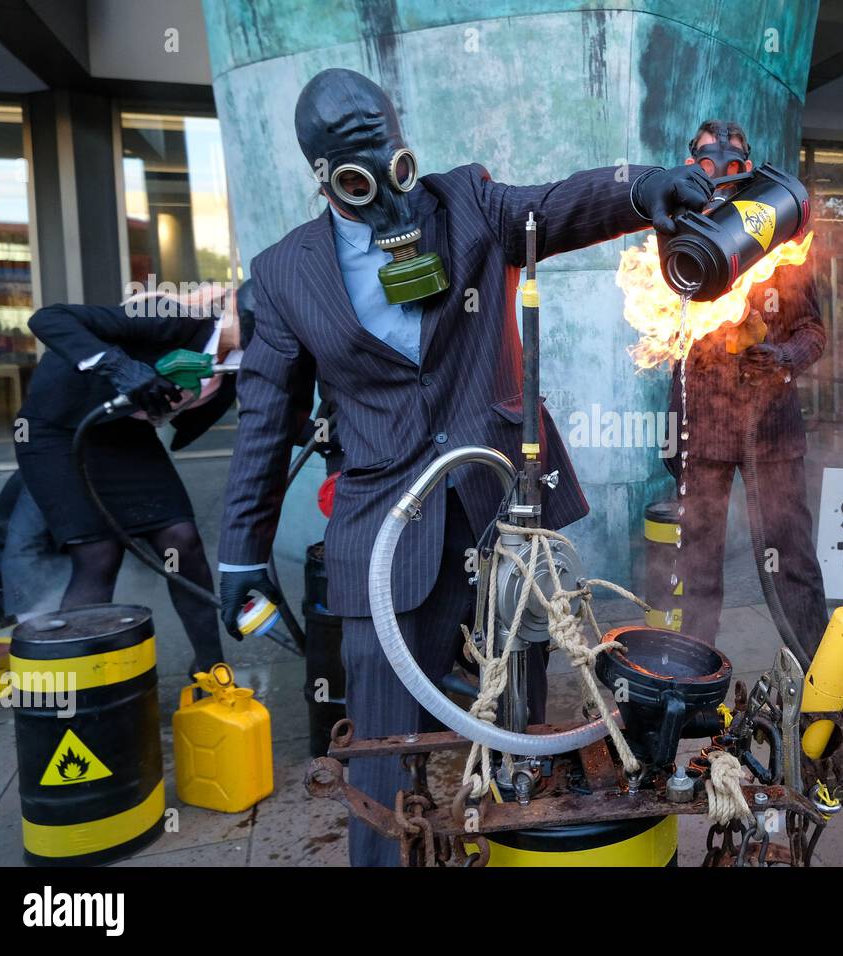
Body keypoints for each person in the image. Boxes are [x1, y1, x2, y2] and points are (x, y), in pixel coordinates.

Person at [214, 68, 714, 867]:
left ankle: (521, 837)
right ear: (323, 176)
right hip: (382, 522)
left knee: (518, 705)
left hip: (503, 504)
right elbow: (265, 423)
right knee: (380, 735)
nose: (388, 194)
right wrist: (240, 550)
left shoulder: (467, 202)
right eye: (356, 175)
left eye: (394, 162)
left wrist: (644, 185)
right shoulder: (282, 275)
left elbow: (558, 204)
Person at [14, 284, 253, 676]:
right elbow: (48, 318)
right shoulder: (170, 318)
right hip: (57, 429)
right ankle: (78, 692)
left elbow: (270, 414)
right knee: (98, 555)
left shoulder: (248, 362)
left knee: (182, 540)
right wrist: (122, 368)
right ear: (241, 315)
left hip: (124, 435)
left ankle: (210, 670)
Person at [668, 119, 829, 656]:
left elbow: (813, 331)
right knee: (698, 562)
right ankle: (691, 683)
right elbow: (665, 338)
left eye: (732, 160)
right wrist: (674, 439)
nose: (720, 170)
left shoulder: (781, 234)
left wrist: (783, 358)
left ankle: (818, 690)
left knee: (793, 560)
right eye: (708, 159)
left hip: (772, 429)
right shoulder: (678, 231)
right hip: (706, 430)